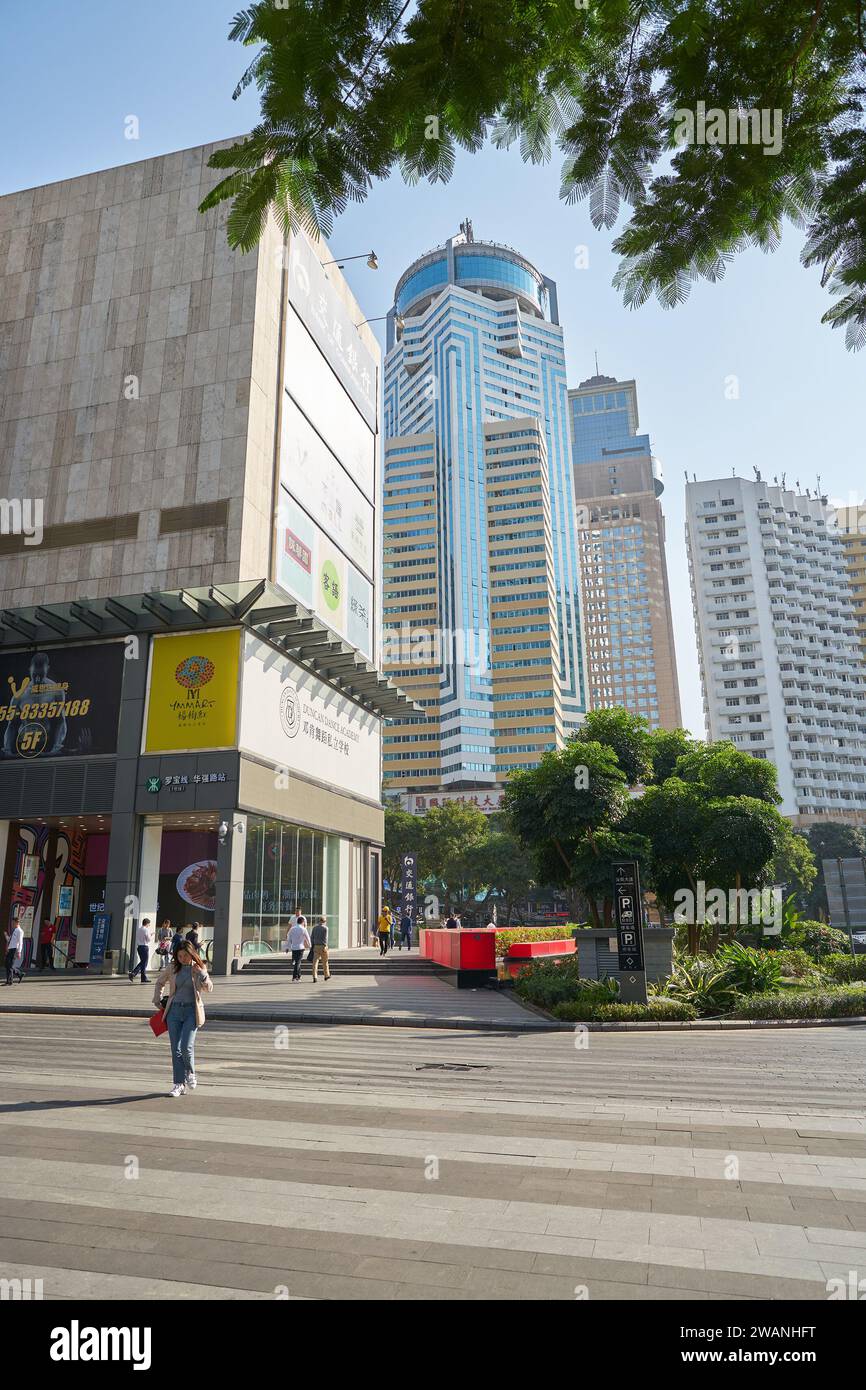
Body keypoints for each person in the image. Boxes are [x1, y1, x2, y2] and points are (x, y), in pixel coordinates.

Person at [152, 939, 213, 1098]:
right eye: (179, 956)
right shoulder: (172, 968)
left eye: (185, 955)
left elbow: (209, 988)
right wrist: (157, 1001)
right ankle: (178, 1084)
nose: (183, 958)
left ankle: (190, 1073)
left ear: (192, 954)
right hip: (174, 1012)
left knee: (186, 1047)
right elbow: (160, 982)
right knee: (175, 1049)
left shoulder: (198, 968)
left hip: (192, 1012)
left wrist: (202, 973)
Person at [284, 914, 311, 980]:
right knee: (298, 962)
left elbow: (289, 939)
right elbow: (308, 938)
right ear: (302, 922)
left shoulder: (292, 929)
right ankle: (294, 976)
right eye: (304, 922)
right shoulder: (303, 929)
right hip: (300, 948)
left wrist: (287, 947)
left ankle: (299, 976)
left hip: (293, 948)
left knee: (297, 962)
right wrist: (310, 946)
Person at [129, 917, 153, 984]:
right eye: (149, 924)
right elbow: (148, 939)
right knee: (144, 962)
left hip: (139, 947)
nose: (149, 925)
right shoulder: (146, 930)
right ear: (147, 923)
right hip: (144, 947)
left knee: (143, 962)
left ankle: (143, 978)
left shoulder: (139, 929)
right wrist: (151, 935)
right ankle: (134, 973)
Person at [310, 916, 330, 982]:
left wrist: (313, 944)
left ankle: (315, 977)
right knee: (325, 962)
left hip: (316, 946)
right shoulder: (325, 928)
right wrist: (325, 946)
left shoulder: (314, 928)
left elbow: (312, 937)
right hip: (323, 946)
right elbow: (326, 938)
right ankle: (326, 975)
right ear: (324, 921)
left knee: (315, 962)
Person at [4, 920, 24, 985]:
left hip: (14, 949)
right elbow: (9, 940)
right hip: (10, 949)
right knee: (7, 965)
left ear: (17, 922)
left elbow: (21, 942)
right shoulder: (14, 930)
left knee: (10, 965)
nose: (12, 924)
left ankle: (9, 981)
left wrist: (19, 951)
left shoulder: (19, 931)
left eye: (13, 923)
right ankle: (19, 974)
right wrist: (6, 935)